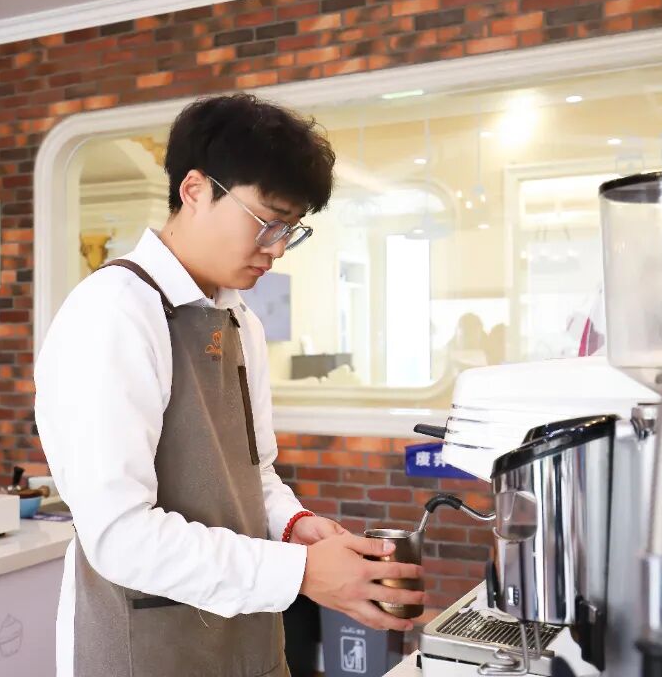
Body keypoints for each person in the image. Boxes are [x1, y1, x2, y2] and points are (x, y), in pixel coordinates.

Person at [35, 94, 425, 677]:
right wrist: (301, 573)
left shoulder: (239, 319)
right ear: (194, 190)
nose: (277, 248)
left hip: (246, 641)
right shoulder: (113, 312)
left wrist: (294, 526)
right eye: (267, 222)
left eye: (291, 230)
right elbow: (120, 535)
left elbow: (252, 474)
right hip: (147, 648)